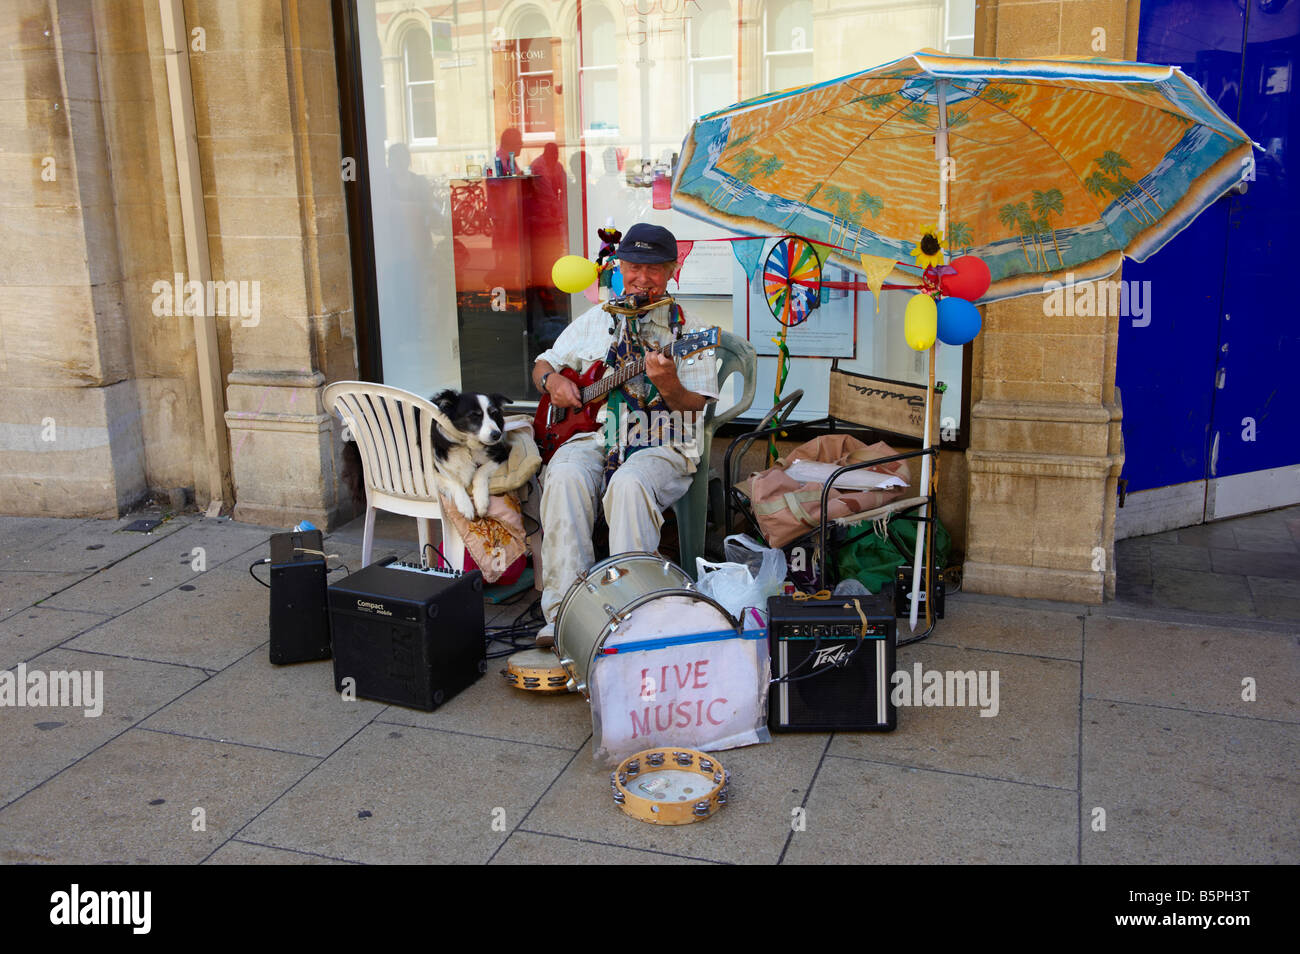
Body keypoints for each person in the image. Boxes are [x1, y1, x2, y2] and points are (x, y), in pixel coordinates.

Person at [531, 224, 718, 645]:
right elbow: (544, 363)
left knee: (630, 484)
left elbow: (696, 404)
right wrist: (552, 384)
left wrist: (668, 383)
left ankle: (635, 613)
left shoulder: (692, 330)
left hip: (663, 437)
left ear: (673, 269)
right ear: (619, 266)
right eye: (634, 266)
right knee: (563, 476)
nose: (642, 277)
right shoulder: (598, 319)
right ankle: (565, 615)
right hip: (597, 434)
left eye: (654, 269)